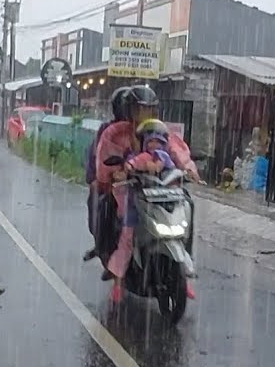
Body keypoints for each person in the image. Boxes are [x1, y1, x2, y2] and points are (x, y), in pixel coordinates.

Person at [93, 85, 200, 301]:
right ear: (129, 111)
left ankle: (183, 271)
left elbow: (179, 154)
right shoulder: (115, 133)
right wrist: (117, 173)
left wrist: (189, 169)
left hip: (161, 190)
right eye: (140, 110)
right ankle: (116, 274)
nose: (145, 115)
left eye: (150, 110)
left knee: (187, 206)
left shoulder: (162, 133)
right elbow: (106, 161)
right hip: (130, 191)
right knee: (124, 228)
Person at [106, 119, 177, 301]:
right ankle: (118, 282)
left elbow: (178, 169)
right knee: (127, 240)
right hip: (136, 205)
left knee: (179, 235)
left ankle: (183, 279)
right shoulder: (138, 156)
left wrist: (189, 173)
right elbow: (128, 166)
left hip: (161, 204)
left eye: (159, 141)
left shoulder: (167, 159)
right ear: (144, 141)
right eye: (151, 140)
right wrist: (126, 171)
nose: (155, 144)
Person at [83, 90, 130, 261]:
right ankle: (102, 246)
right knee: (100, 206)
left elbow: (162, 151)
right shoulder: (107, 130)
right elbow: (95, 155)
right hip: (112, 181)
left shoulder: (145, 130)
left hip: (140, 182)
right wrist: (95, 177)